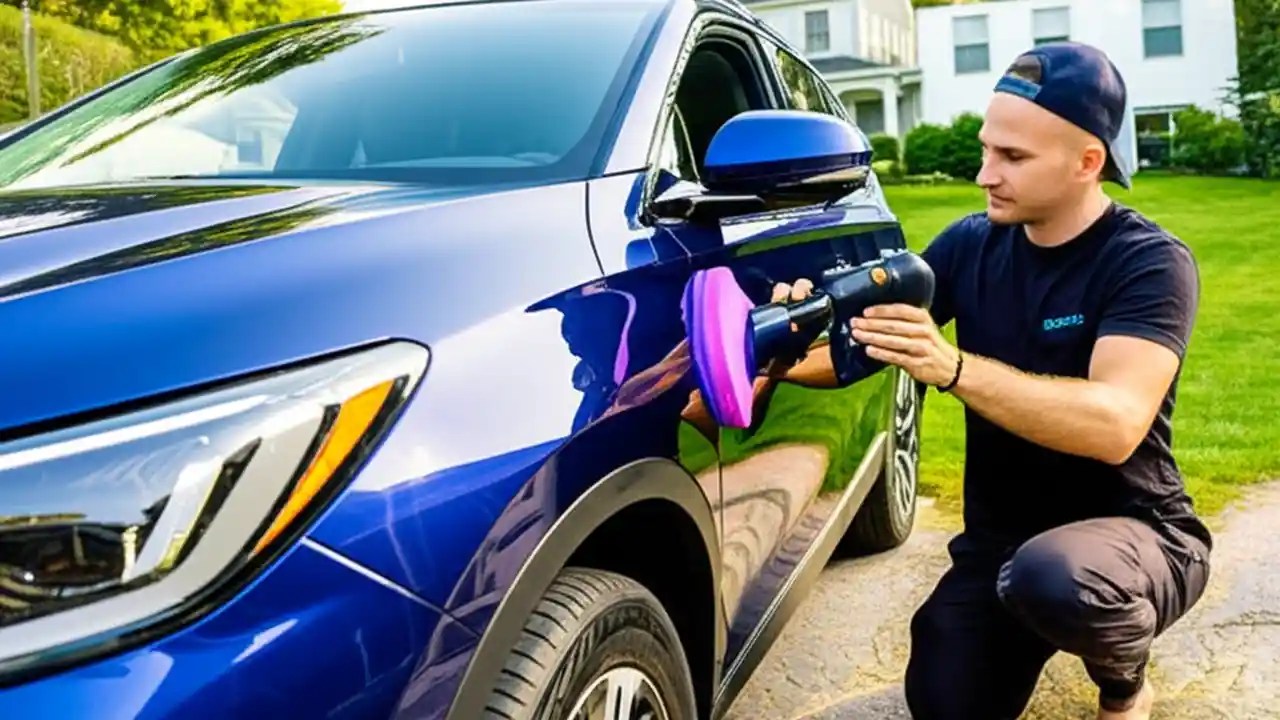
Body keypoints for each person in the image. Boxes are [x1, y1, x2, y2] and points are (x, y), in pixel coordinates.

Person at [770, 42, 1211, 720]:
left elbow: (1117, 424)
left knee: (1060, 579)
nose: (984, 173)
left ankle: (1124, 683)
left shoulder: (1148, 263)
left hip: (1138, 532)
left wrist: (951, 367)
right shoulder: (969, 244)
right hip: (1000, 546)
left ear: (1087, 162)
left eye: (1012, 158)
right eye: (987, 148)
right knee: (945, 698)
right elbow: (861, 348)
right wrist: (775, 346)